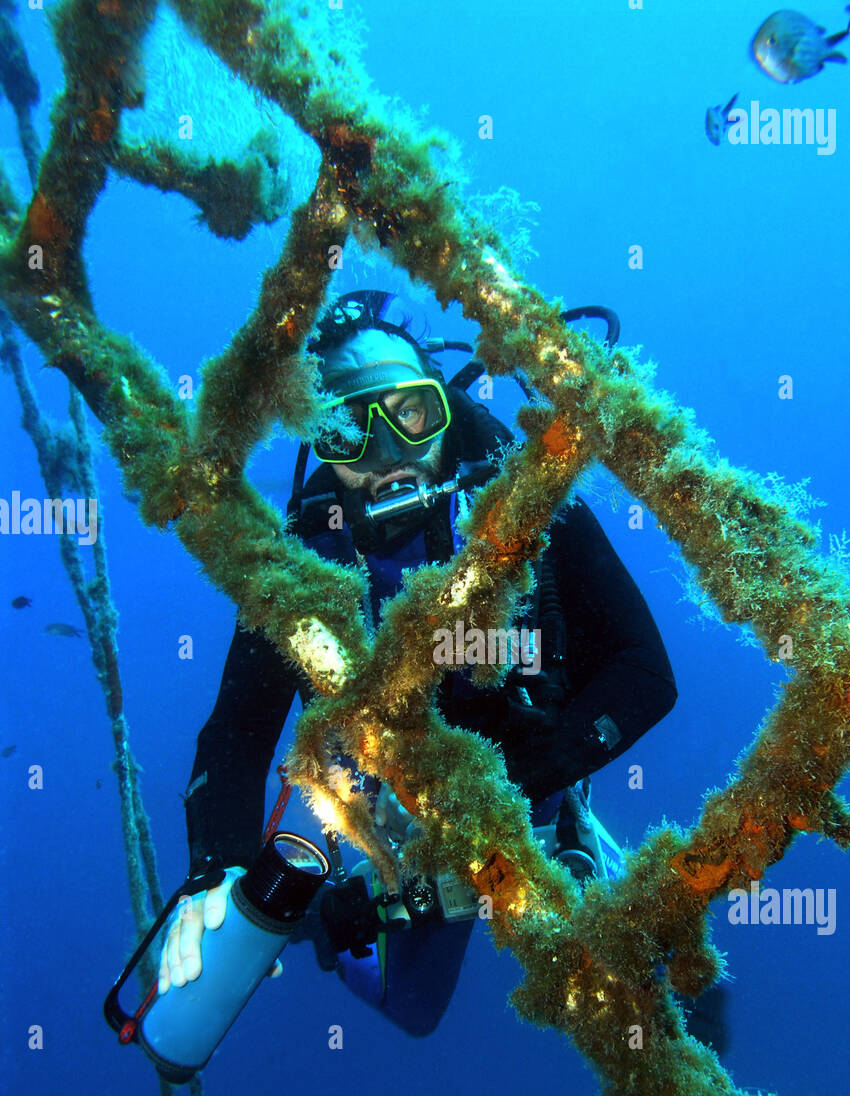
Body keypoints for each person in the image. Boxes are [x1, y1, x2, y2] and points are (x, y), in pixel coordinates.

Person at [157, 290, 678, 1037]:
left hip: (537, 778)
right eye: (347, 430)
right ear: (322, 444)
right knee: (414, 1009)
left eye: (411, 415)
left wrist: (524, 790)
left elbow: (646, 670)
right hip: (397, 813)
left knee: (638, 971)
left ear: (442, 405)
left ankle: (581, 844)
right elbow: (236, 731)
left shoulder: (523, 491)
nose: (390, 454)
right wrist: (218, 869)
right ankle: (332, 929)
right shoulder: (305, 555)